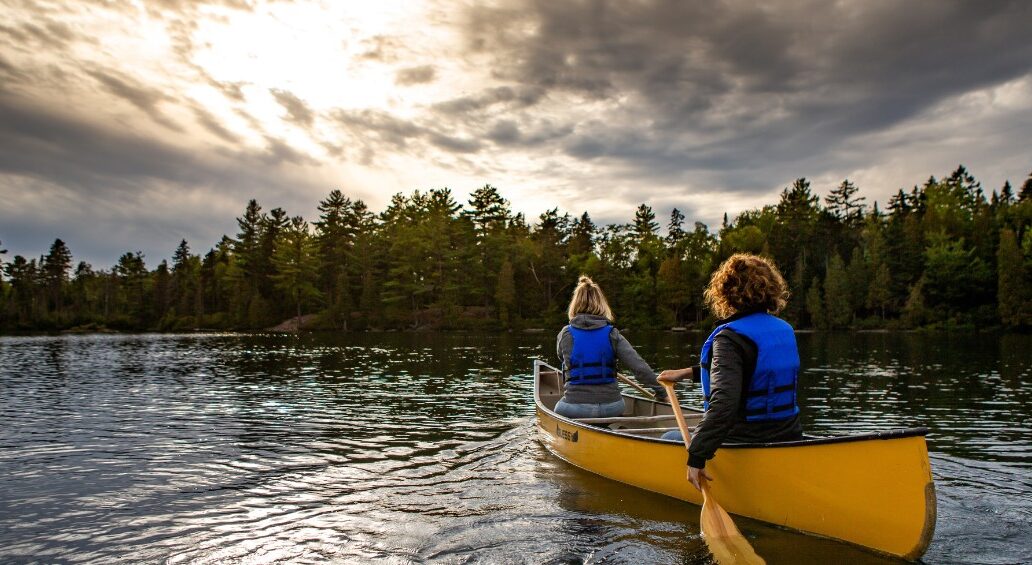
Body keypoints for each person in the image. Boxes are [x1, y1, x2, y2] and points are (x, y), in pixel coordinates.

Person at [658, 253, 803, 491]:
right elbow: (753, 374)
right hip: (788, 434)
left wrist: (697, 456)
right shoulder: (784, 329)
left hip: (745, 438)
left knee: (668, 438)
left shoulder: (730, 338)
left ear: (726, 293)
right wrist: (685, 373)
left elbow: (724, 403)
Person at [555, 276, 666, 419]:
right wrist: (662, 392)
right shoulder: (612, 334)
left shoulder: (565, 334)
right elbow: (639, 367)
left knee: (557, 410)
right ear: (602, 304)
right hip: (612, 407)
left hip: (575, 407)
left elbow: (561, 357)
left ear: (574, 304)